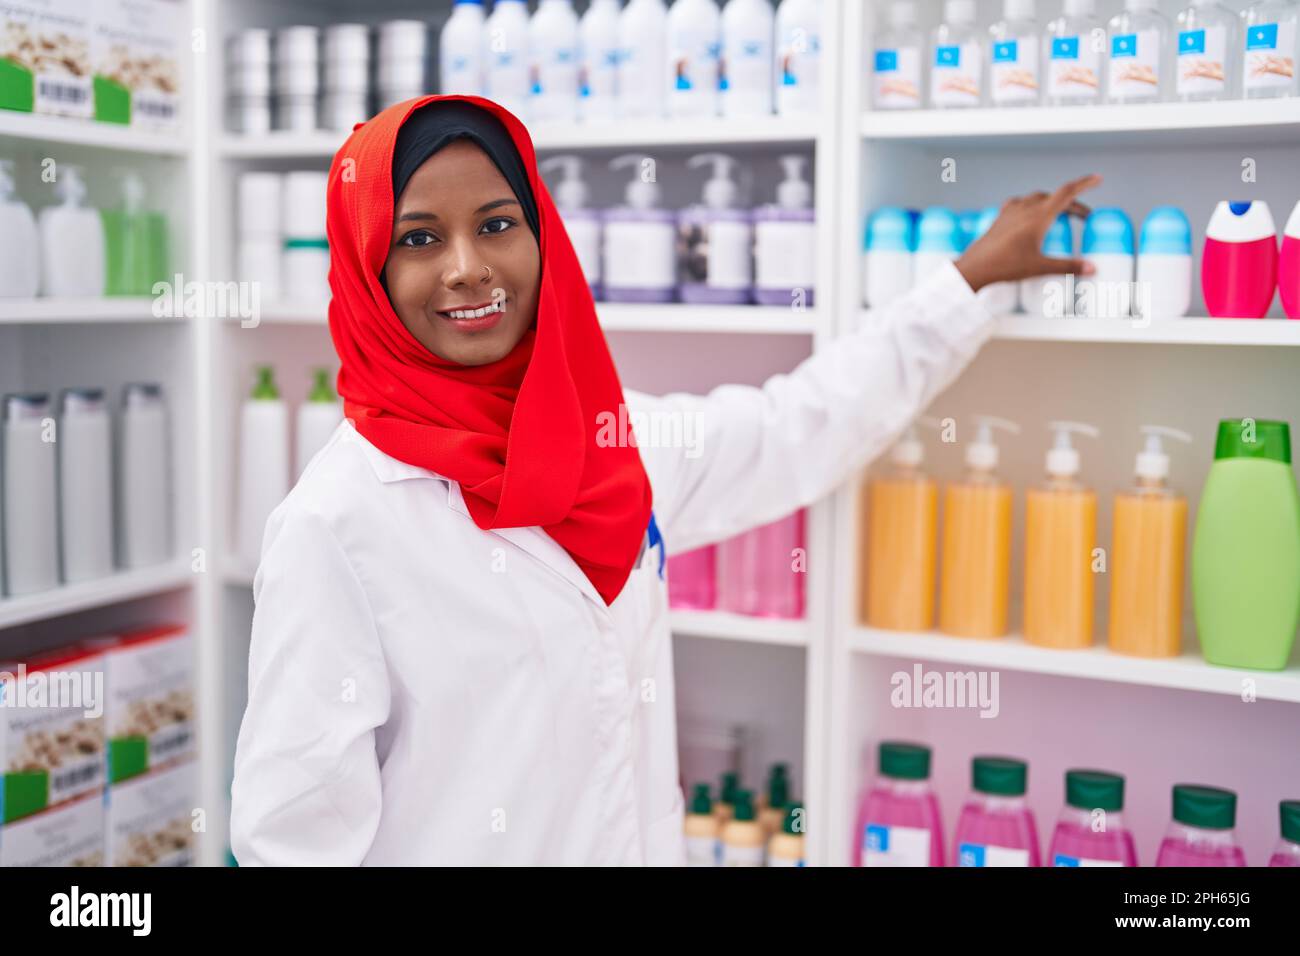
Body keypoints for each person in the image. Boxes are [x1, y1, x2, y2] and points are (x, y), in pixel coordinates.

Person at [229, 94, 1099, 865]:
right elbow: (292, 839)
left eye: (498, 223)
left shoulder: (619, 439)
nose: (467, 266)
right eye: (419, 238)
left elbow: (800, 426)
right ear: (368, 268)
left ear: (544, 240)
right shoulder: (338, 522)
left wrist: (966, 283)